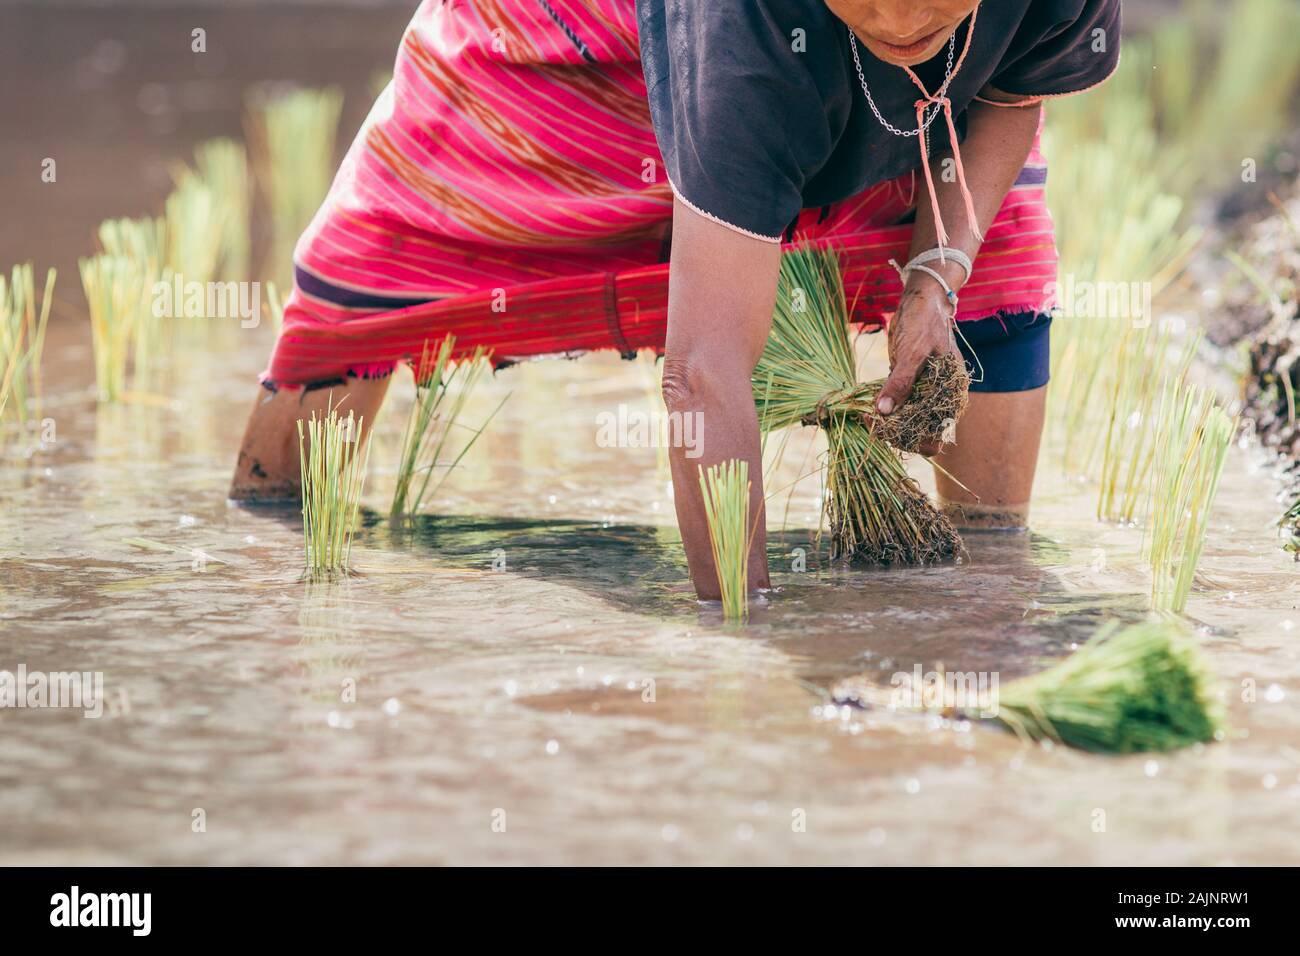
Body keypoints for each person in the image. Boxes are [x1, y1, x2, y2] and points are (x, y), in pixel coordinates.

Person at [230, 0, 1121, 599]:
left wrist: (935, 276)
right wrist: (744, 631)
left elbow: (1009, 84)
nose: (899, 21)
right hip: (582, 56)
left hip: (894, 111)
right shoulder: (740, 31)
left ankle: (995, 590)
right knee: (384, 268)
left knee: (997, 274)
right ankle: (262, 533)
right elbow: (704, 370)